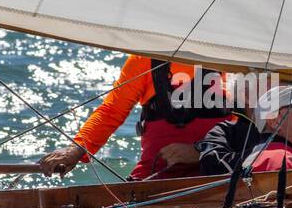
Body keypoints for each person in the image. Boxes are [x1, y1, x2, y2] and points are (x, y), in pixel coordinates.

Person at [39, 54, 233, 180]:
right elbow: (111, 111)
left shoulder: (234, 62)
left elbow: (254, 128)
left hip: (220, 175)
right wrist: (77, 149)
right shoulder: (143, 60)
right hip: (156, 177)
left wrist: (201, 152)